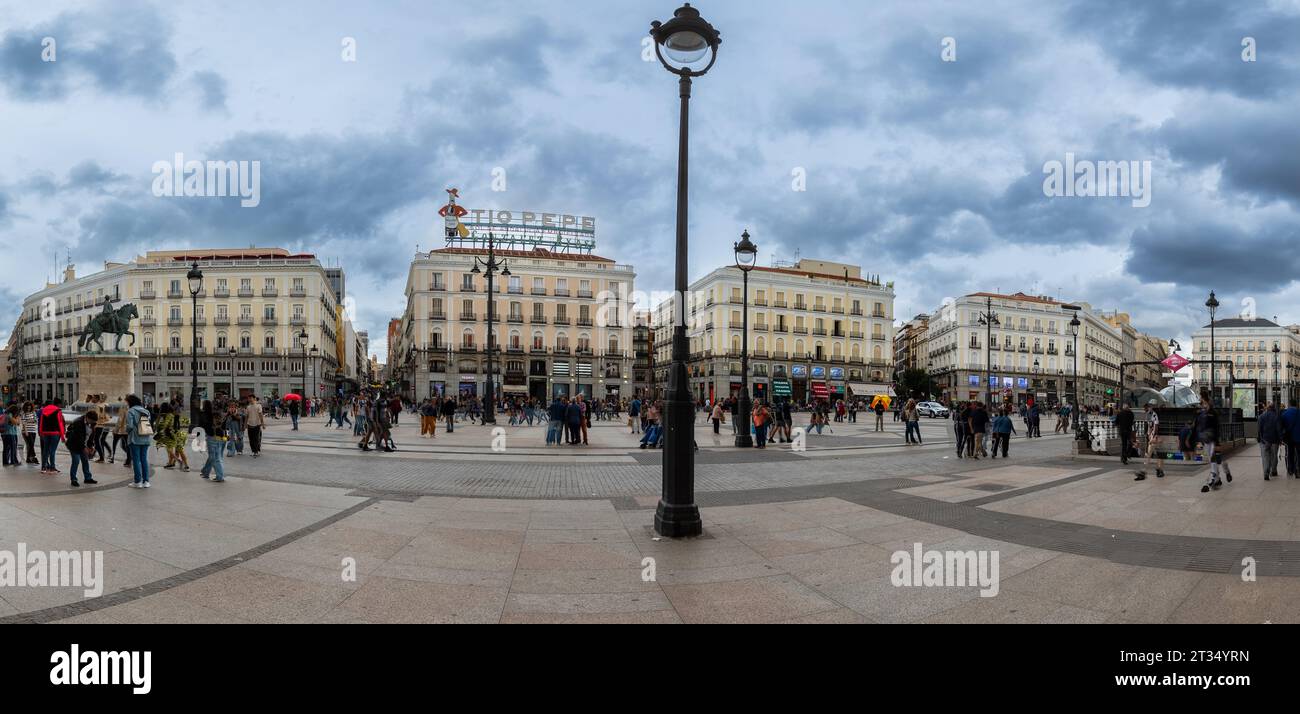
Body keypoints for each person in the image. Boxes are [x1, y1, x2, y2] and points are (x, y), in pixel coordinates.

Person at [1196, 394, 1231, 493]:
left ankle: (1218, 476)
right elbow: (1199, 427)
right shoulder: (1201, 413)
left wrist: (1216, 442)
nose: (1201, 403)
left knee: (1218, 460)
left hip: (1213, 440)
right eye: (1201, 402)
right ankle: (1217, 479)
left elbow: (1216, 427)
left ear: (1206, 401)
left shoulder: (1213, 413)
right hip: (1206, 440)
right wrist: (1200, 440)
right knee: (1214, 460)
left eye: (1202, 401)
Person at [124, 394, 153, 488]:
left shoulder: (131, 411)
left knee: (136, 460)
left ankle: (137, 481)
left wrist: (126, 431)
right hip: (146, 438)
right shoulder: (146, 411)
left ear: (130, 402)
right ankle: (146, 481)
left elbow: (130, 426)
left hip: (135, 439)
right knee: (144, 459)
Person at [64, 411, 99, 487]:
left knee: (85, 461)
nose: (93, 423)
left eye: (94, 421)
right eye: (92, 421)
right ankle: (74, 479)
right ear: (88, 418)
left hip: (83, 444)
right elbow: (78, 438)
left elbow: (91, 437)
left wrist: (91, 447)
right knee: (76, 461)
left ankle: (88, 478)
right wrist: (84, 448)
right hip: (74, 445)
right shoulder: (78, 422)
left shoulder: (92, 423)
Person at [1133, 402, 1166, 481]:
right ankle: (1159, 470)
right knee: (1158, 454)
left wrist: (1153, 437)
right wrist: (1149, 434)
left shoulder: (1154, 414)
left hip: (1155, 438)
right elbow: (1150, 426)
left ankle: (1143, 472)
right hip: (1155, 437)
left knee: (1149, 454)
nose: (1144, 410)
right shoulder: (1150, 414)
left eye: (1145, 408)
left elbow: (1156, 426)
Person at [197, 399, 228, 482]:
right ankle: (205, 472)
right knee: (214, 456)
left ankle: (219, 476)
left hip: (212, 437)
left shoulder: (204, 414)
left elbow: (200, 428)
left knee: (215, 458)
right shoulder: (216, 413)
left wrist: (199, 440)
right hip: (222, 437)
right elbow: (224, 425)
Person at [156, 403, 190, 472]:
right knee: (178, 450)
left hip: (172, 435)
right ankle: (180, 464)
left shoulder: (168, 415)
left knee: (170, 449)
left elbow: (164, 424)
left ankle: (179, 462)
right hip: (177, 433)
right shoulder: (172, 414)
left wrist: (160, 420)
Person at [38, 398, 65, 475]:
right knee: (52, 450)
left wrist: (41, 432)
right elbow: (60, 423)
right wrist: (62, 436)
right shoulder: (58, 410)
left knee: (45, 450)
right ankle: (52, 467)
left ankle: (43, 467)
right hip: (55, 432)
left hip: (45, 432)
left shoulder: (44, 410)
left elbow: (41, 422)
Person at [1256, 401, 1281, 481]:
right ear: (1274, 408)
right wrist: (1280, 439)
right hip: (1274, 440)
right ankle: (1273, 471)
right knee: (1274, 456)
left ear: (1267, 408)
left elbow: (1259, 429)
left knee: (1265, 457)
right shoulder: (1276, 416)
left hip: (1264, 440)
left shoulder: (1261, 416)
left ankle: (1266, 472)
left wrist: (1260, 438)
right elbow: (1278, 429)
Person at [1280, 401, 1300, 478]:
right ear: (1296, 404)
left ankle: (1290, 469)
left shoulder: (1285, 414)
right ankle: (1298, 470)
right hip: (1299, 438)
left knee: (1290, 454)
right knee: (1299, 454)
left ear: (1289, 404)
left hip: (1289, 437)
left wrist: (1282, 437)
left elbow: (1282, 426)